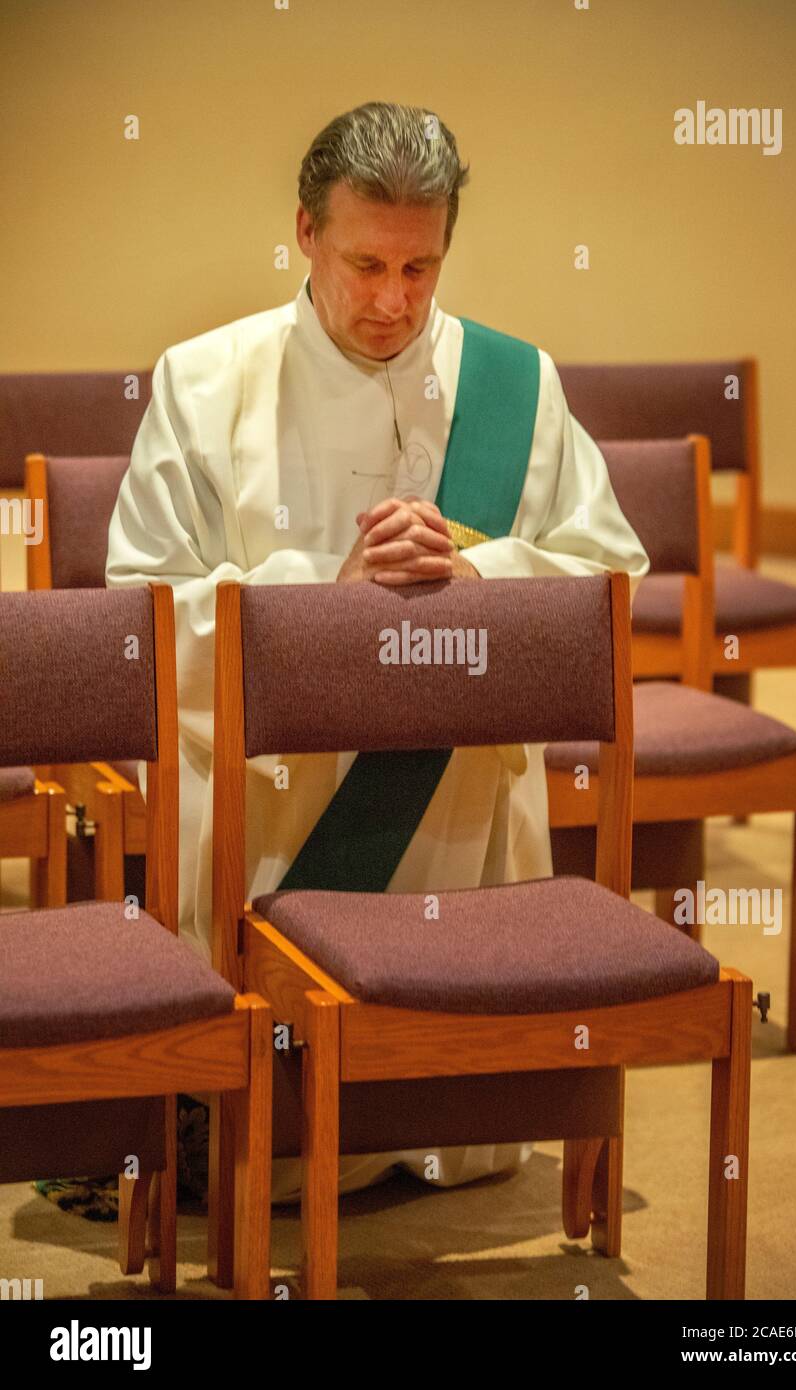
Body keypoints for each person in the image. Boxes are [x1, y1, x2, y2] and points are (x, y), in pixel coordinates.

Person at [106, 101, 649, 1202]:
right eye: (363, 263)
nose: (392, 301)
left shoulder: (516, 383)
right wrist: (327, 600)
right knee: (274, 1140)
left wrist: (472, 567)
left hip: (456, 798)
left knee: (457, 1131)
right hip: (277, 815)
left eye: (420, 267)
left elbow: (608, 581)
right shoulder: (205, 382)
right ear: (303, 233)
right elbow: (143, 615)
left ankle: (450, 1123)